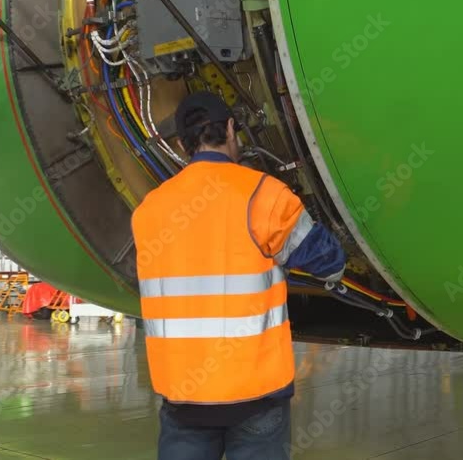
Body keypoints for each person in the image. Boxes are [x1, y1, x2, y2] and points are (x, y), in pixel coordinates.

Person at [131, 91, 346, 460]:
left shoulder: (149, 210)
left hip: (184, 398)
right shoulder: (264, 195)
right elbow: (331, 263)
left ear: (184, 144)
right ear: (231, 129)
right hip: (255, 396)